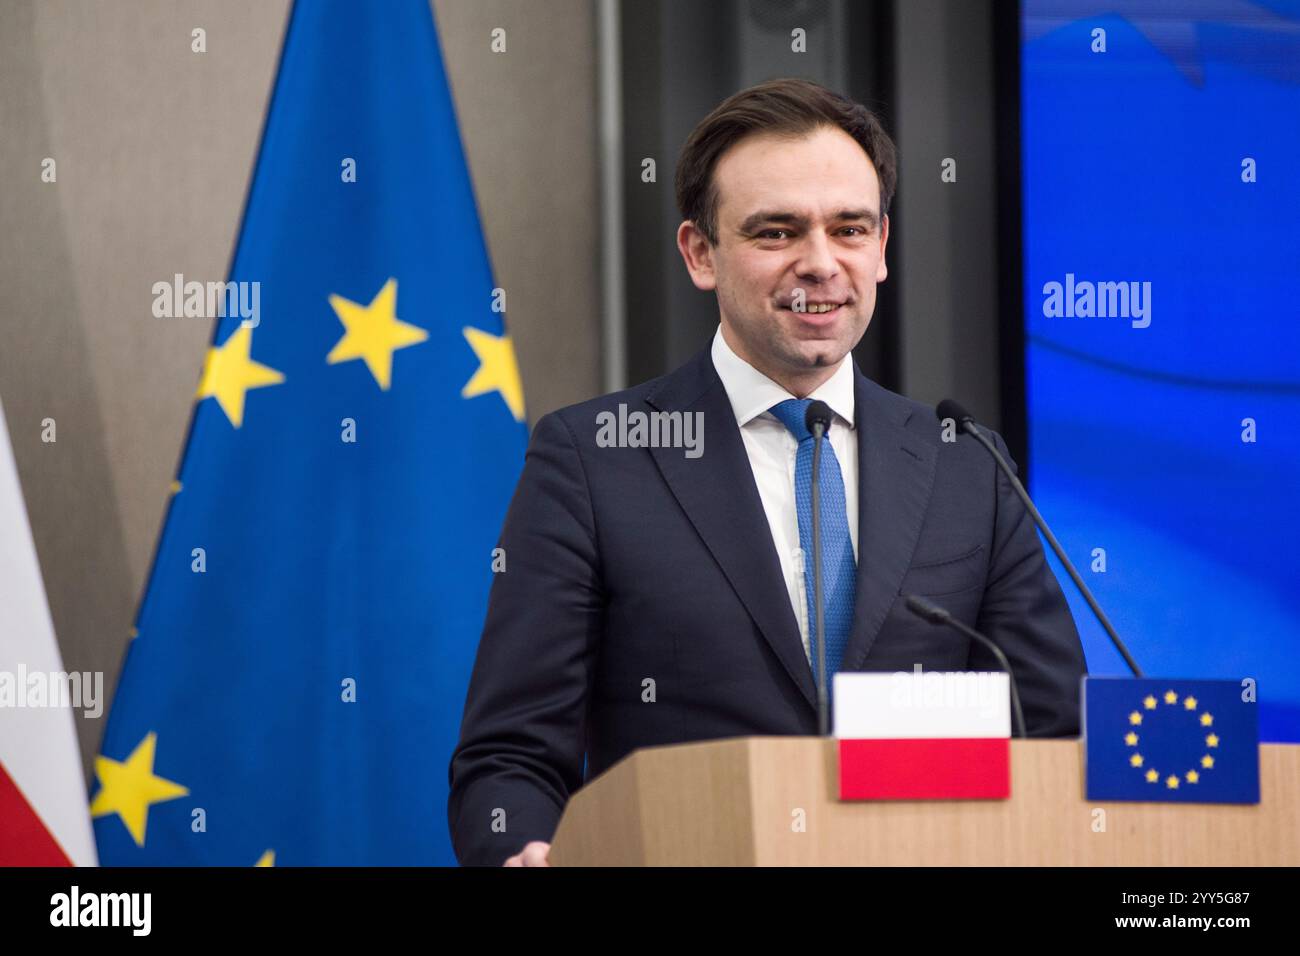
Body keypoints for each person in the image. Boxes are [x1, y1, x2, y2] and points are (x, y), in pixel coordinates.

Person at [448, 77, 1086, 867]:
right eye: (777, 232)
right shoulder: (593, 457)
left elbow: (1057, 741)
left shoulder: (968, 464)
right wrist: (522, 850)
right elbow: (510, 756)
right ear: (699, 254)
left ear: (882, 248)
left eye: (849, 228)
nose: (820, 264)